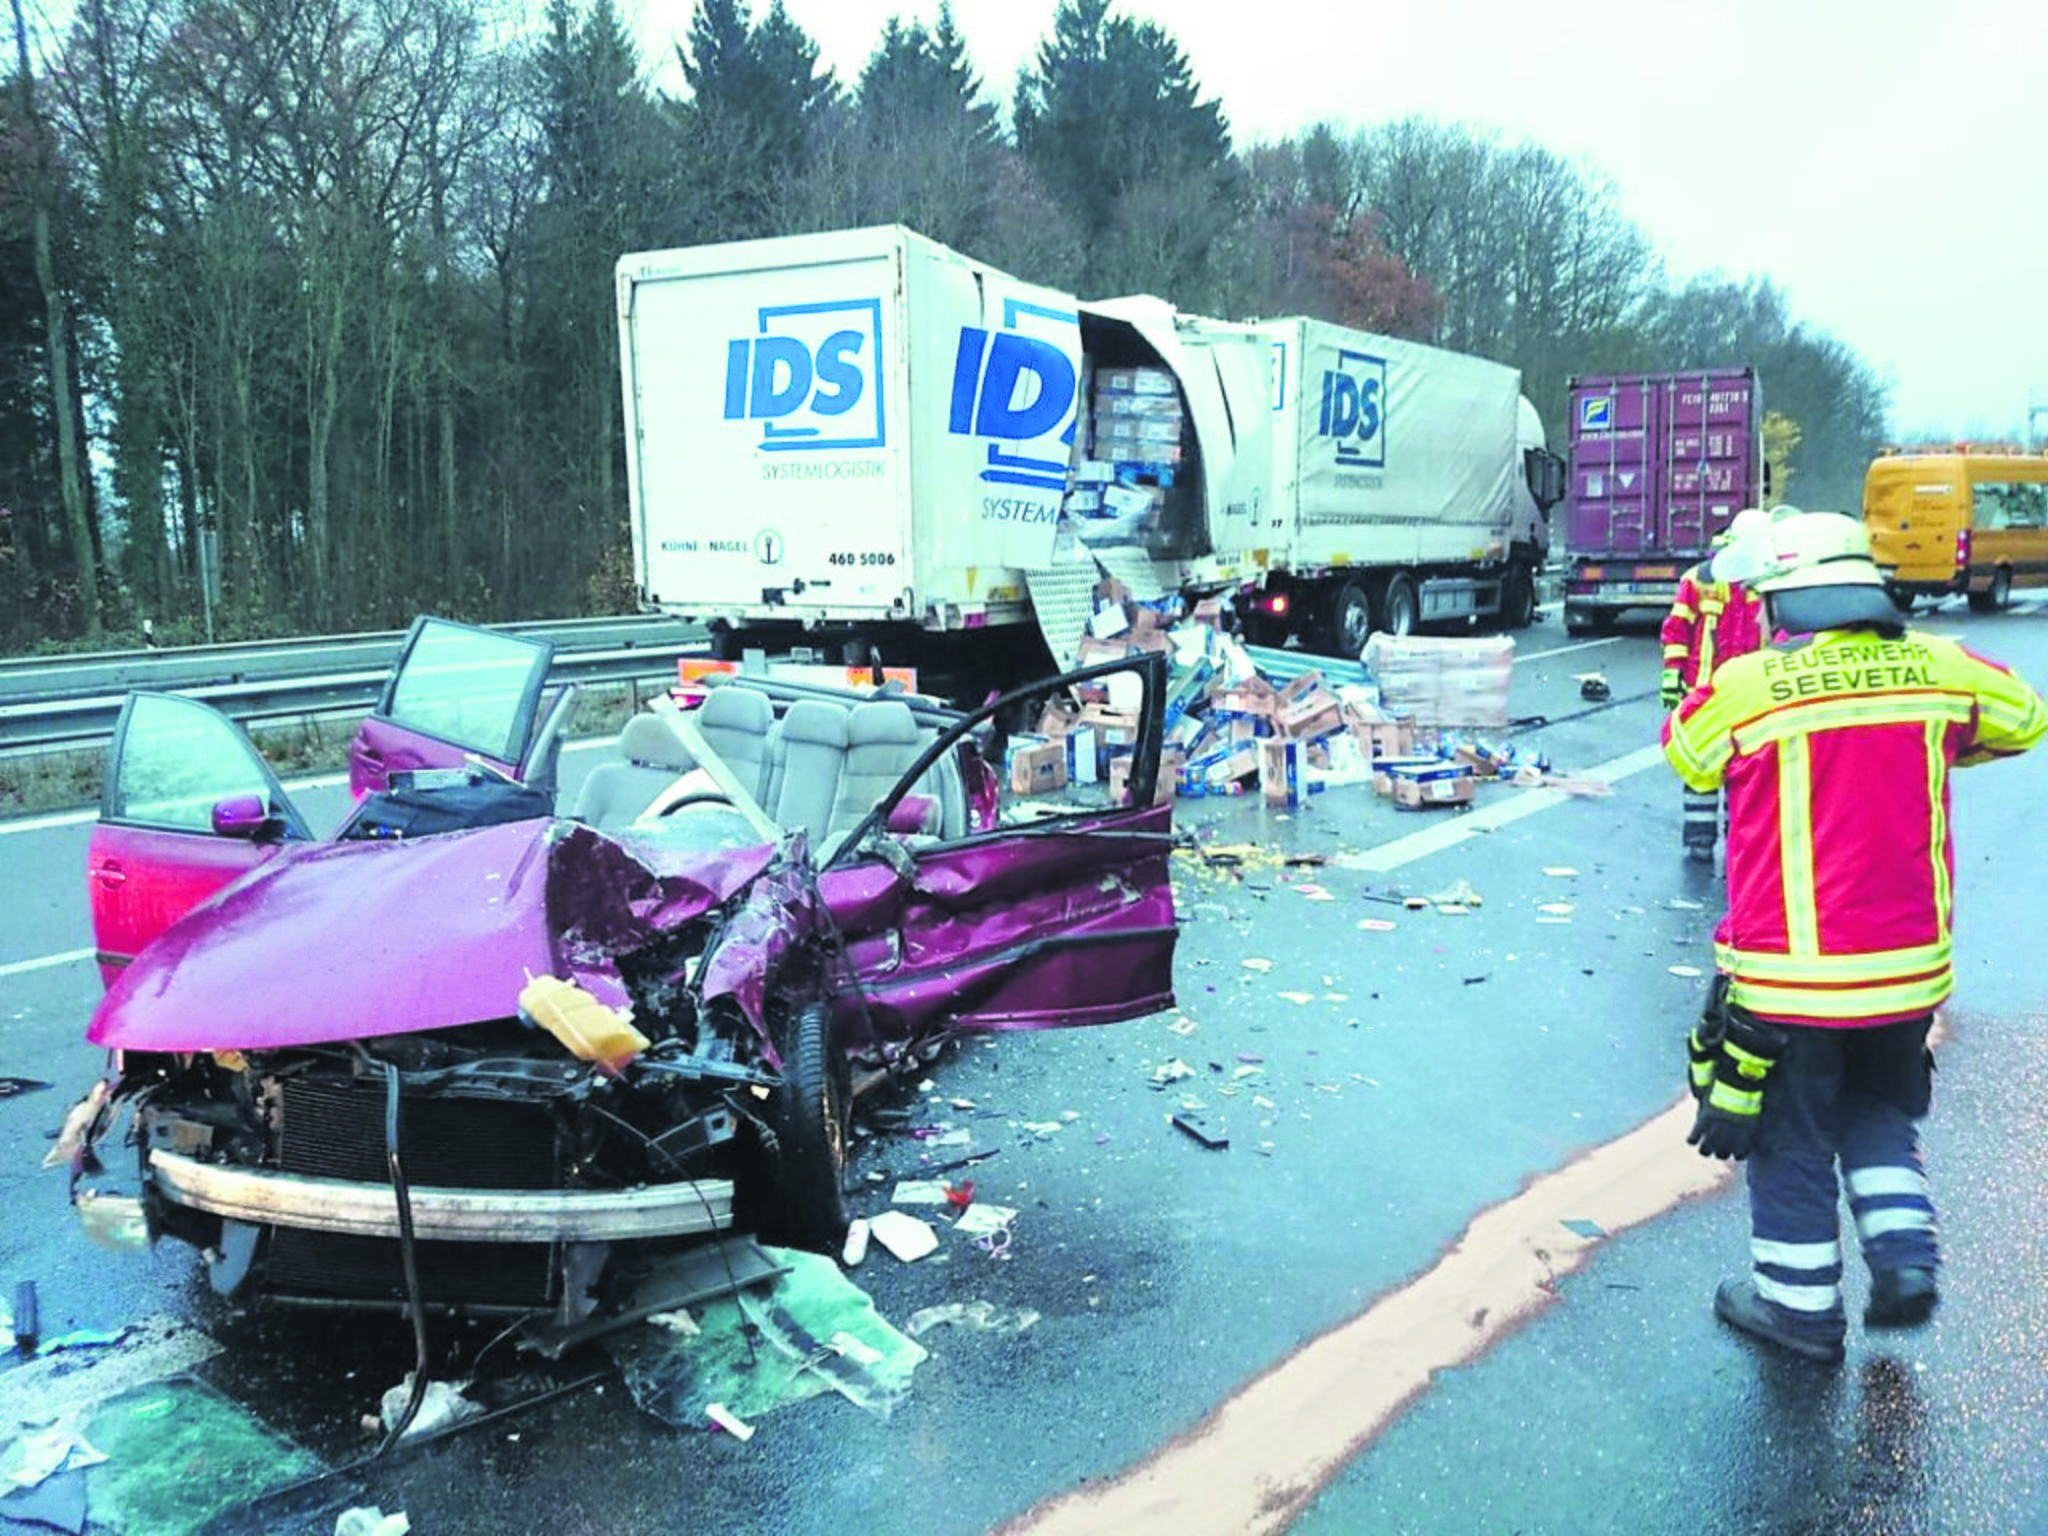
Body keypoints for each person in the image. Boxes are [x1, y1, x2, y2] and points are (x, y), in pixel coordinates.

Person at [1663, 507, 2046, 1364]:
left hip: (1791, 981)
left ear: (1785, 605)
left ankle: (1798, 1312)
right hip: (1909, 975)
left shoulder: (1752, 686)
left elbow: (1688, 755)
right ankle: (1906, 1260)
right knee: (1878, 1111)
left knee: (1790, 1137)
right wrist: (1941, 744)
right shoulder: (1938, 668)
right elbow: (2024, 718)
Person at [1659, 508, 1768, 863]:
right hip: (1705, 692)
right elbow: (1677, 630)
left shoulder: (1766, 581)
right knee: (1700, 770)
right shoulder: (1700, 580)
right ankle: (1700, 841)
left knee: (1745, 773)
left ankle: (1737, 840)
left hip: (1750, 694)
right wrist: (1672, 676)